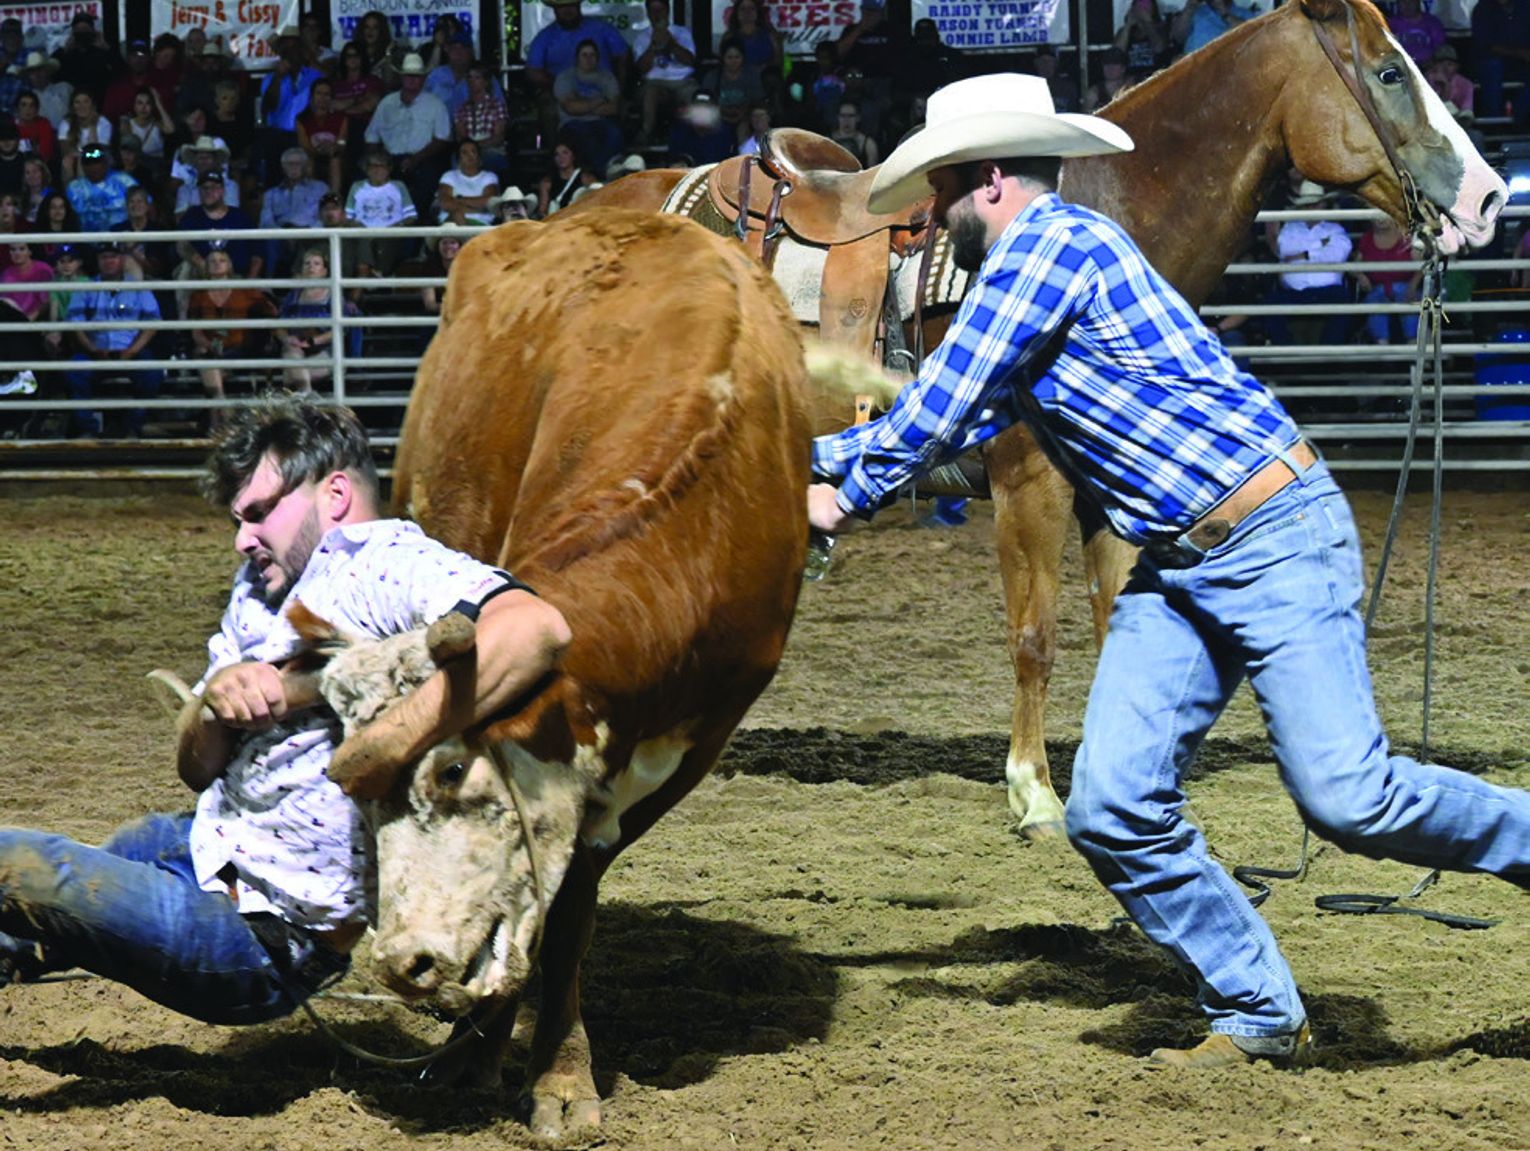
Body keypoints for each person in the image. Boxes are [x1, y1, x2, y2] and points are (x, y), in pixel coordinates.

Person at [807, 72, 1530, 1069]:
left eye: (939, 192)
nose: (929, 216)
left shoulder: (1049, 248)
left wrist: (836, 491)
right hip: (1181, 562)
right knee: (1111, 807)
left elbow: (940, 401)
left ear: (988, 182)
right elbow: (970, 418)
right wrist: (815, 468)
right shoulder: (1046, 265)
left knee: (1350, 795)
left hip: (1272, 536)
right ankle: (1257, 1008)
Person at [0, 394, 571, 1024]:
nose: (243, 539)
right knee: (72, 883)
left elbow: (535, 627)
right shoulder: (257, 590)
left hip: (261, 943)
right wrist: (215, 706)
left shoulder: (386, 564)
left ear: (333, 495)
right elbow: (196, 769)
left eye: (259, 514)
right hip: (202, 847)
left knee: (20, 865)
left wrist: (390, 741)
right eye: (237, 520)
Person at [62, 241, 165, 438]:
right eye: (104, 257)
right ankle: (87, 428)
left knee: (152, 373)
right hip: (95, 351)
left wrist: (133, 350)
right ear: (98, 261)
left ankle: (133, 426)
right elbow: (75, 322)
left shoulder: (138, 287)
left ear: (122, 259)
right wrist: (92, 349)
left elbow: (153, 320)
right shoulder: (86, 287)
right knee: (74, 371)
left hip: (131, 350)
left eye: (113, 256)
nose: (109, 261)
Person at [187, 246, 277, 421]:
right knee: (208, 362)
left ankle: (216, 420)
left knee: (211, 371)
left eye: (222, 260)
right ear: (206, 266)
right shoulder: (198, 295)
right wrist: (210, 345)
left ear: (229, 265)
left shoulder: (244, 290)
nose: (217, 264)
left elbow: (271, 311)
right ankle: (222, 410)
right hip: (210, 348)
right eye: (212, 261)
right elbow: (196, 332)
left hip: (240, 348)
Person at [1264, 180, 1354, 347]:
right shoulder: (1291, 227)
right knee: (1270, 306)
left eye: (1315, 204)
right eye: (1307, 205)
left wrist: (1302, 254)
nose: (1311, 209)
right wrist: (1320, 245)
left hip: (1329, 291)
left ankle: (1329, 355)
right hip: (1293, 291)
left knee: (1343, 303)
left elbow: (1336, 255)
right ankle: (1288, 356)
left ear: (1323, 205)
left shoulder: (1335, 229)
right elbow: (1284, 251)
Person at [364, 53, 453, 223]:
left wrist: (416, 159)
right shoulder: (387, 103)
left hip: (424, 159)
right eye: (408, 76)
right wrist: (380, 163)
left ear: (423, 79)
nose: (412, 80)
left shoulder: (435, 104)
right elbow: (371, 138)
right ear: (401, 77)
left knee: (425, 186)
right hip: (390, 160)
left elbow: (442, 140)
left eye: (416, 76)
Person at [525, 0, 631, 140]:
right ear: (554, 9)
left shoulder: (602, 28)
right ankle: (557, 154)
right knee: (548, 109)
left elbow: (623, 56)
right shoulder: (544, 37)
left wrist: (619, 88)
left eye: (571, 5)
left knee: (621, 108)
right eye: (562, 6)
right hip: (562, 94)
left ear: (579, 5)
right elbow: (533, 72)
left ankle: (617, 156)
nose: (567, 10)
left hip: (602, 89)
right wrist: (559, 85)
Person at [275, 247, 362, 390]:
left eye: (316, 264)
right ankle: (308, 397)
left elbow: (340, 330)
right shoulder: (293, 295)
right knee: (291, 352)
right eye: (307, 263)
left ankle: (305, 396)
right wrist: (288, 339)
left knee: (290, 377)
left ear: (324, 271)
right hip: (296, 349)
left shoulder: (332, 294)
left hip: (326, 351)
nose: (311, 267)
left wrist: (312, 341)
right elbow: (279, 326)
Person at [553, 39, 624, 175]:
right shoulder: (565, 77)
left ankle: (607, 174)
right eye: (584, 55)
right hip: (572, 123)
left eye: (592, 55)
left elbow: (613, 108)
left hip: (602, 122)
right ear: (577, 58)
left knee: (615, 134)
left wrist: (581, 103)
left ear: (597, 58)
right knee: (587, 138)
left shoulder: (607, 77)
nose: (588, 59)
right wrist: (600, 100)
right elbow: (570, 108)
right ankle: (594, 175)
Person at [633, 0, 699, 145]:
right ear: (648, 13)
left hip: (683, 82)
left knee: (694, 96)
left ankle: (697, 137)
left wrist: (671, 43)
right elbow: (642, 68)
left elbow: (690, 60)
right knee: (650, 93)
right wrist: (653, 45)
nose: (657, 15)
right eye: (653, 11)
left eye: (660, 10)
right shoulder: (642, 37)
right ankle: (646, 134)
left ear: (667, 11)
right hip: (654, 82)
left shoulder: (682, 32)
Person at [344, 150, 418, 277]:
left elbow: (411, 216)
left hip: (392, 233)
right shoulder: (357, 186)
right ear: (366, 169)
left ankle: (375, 275)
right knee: (363, 241)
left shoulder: (398, 186)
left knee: (386, 241)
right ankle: (373, 275)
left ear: (389, 169)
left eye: (382, 166)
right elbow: (347, 217)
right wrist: (360, 227)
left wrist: (394, 228)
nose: (377, 170)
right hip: (363, 233)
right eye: (373, 166)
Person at [1351, 214, 1421, 345]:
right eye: (1377, 215)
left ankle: (1413, 347)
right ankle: (1382, 349)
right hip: (1377, 288)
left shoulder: (1407, 237)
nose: (1381, 219)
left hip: (1405, 286)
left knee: (1410, 302)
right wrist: (1360, 275)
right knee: (1374, 303)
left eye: (1385, 215)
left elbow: (1422, 266)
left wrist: (1413, 285)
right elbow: (1354, 266)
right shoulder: (1366, 239)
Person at [0, 239, 52, 399]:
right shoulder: (6, 273)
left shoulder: (43, 270)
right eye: (13, 250)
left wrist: (28, 320)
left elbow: (47, 301)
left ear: (30, 251)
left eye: (21, 249)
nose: (16, 253)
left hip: (33, 324)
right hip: (10, 324)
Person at [1471, 0, 1530, 123]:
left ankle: (1520, 118)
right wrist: (1519, 53)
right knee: (1491, 68)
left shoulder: (1525, 6)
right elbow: (1484, 44)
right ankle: (1493, 122)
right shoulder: (1482, 9)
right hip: (1491, 62)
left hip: (1522, 64)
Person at [66, 143, 139, 233]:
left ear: (106, 163)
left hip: (122, 238)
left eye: (97, 162)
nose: (93, 167)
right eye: (88, 163)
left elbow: (146, 207)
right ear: (83, 166)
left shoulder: (125, 182)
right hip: (85, 241)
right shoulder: (74, 187)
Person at [296, 79, 347, 192]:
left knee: (335, 160)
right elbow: (304, 145)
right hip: (312, 154)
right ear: (312, 96)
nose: (322, 98)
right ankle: (311, 197)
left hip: (334, 153)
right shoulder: (302, 119)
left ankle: (334, 197)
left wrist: (335, 147)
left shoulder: (341, 117)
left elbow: (343, 142)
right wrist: (319, 150)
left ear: (331, 97)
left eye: (326, 94)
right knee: (308, 161)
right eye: (318, 93)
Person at [435, 138, 498, 224]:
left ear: (479, 157)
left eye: (473, 152)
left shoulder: (489, 177)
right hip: (451, 222)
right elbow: (446, 204)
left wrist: (459, 199)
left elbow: (489, 202)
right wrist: (478, 209)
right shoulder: (449, 176)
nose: (470, 155)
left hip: (480, 223)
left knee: (457, 214)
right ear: (459, 159)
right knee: (456, 215)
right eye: (464, 153)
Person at [536, 137, 600, 217]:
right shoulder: (547, 183)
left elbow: (598, 204)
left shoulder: (586, 179)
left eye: (565, 153)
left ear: (573, 156)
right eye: (557, 154)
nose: (561, 157)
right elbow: (542, 211)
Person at [1173, 0, 1261, 56]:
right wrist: (1189, 8)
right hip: (1191, 65)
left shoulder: (1245, 14)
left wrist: (1224, 12)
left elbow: (1252, 38)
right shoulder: (1195, 12)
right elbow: (1178, 38)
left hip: (1225, 67)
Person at [1114, 0, 1170, 74]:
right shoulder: (1124, 31)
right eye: (1139, 6)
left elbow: (1159, 47)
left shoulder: (1161, 28)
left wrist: (1148, 22)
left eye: (1146, 6)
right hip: (1130, 77)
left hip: (1154, 74)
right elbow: (1117, 53)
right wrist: (1128, 25)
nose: (1142, 9)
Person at [1387, 0, 1446, 67]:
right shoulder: (1390, 24)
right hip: (1400, 65)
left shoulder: (1432, 22)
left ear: (1418, 3)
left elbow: (1439, 48)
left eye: (1411, 2)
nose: (1407, 5)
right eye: (1402, 2)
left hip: (1427, 67)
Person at [13, 86, 59, 166]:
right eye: (23, 105)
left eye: (32, 105)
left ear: (37, 110)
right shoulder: (9, 126)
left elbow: (45, 155)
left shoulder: (44, 123)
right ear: (17, 109)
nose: (28, 109)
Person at [830, 101, 879, 167]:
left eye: (851, 116)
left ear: (858, 118)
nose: (846, 120)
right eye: (843, 116)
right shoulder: (827, 140)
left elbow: (873, 173)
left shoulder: (869, 144)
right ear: (838, 117)